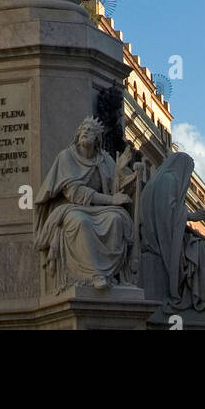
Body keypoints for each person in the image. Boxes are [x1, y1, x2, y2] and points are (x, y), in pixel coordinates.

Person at [34, 117, 135, 292]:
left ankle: (111, 275)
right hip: (71, 207)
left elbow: (116, 189)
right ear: (78, 134)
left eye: (90, 130)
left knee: (117, 219)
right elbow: (75, 193)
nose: (86, 132)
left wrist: (122, 170)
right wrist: (111, 200)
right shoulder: (66, 156)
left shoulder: (104, 159)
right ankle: (95, 274)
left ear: (97, 138)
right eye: (84, 129)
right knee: (81, 222)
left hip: (99, 209)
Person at [139, 150, 205, 311]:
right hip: (159, 240)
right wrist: (192, 217)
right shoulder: (169, 180)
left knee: (198, 245)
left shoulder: (159, 179)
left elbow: (167, 215)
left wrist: (187, 226)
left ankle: (198, 298)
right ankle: (196, 298)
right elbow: (168, 213)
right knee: (201, 250)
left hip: (159, 234)